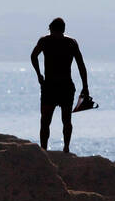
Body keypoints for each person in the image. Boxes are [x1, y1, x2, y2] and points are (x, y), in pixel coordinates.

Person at [31, 18, 88, 153]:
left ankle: (54, 148)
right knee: (55, 120)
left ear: (51, 28)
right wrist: (85, 86)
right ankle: (55, 148)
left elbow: (33, 56)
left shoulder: (47, 41)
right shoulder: (70, 42)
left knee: (54, 120)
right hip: (60, 86)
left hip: (56, 86)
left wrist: (39, 75)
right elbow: (81, 65)